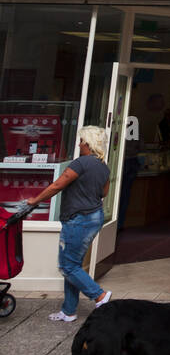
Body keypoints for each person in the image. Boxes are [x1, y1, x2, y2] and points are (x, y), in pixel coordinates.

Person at [27, 126, 112, 323]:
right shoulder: (103, 166)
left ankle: (100, 296)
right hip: (94, 217)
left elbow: (57, 185)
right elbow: (104, 193)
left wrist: (35, 201)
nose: (79, 144)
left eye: (81, 140)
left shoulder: (80, 163)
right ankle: (69, 310)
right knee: (73, 265)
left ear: (88, 144)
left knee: (67, 265)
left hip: (78, 219)